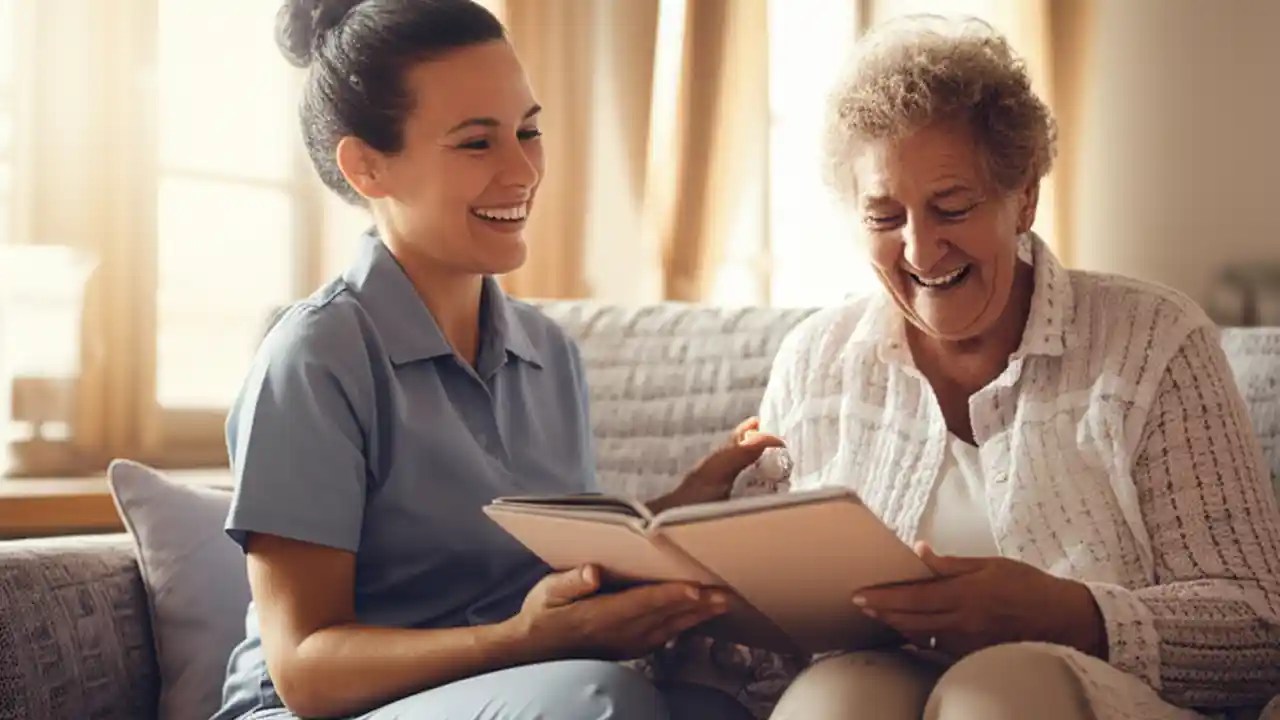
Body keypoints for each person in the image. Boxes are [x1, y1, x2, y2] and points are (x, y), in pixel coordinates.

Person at [211, 2, 777, 718]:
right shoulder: (315, 358)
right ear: (367, 167)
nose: (522, 171)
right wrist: (520, 639)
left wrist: (675, 514)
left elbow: (542, 569)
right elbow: (306, 672)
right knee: (598, 703)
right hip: (320, 710)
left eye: (529, 131)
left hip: (506, 687)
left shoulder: (549, 354)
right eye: (477, 144)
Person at [752, 15, 1280, 720]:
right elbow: (755, 648)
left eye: (952, 207)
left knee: (996, 695)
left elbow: (1259, 628)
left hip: (1081, 696)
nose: (920, 250)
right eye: (884, 218)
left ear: (1023, 197)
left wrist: (1073, 613)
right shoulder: (815, 361)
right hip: (872, 681)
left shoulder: (1155, 340)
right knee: (834, 699)